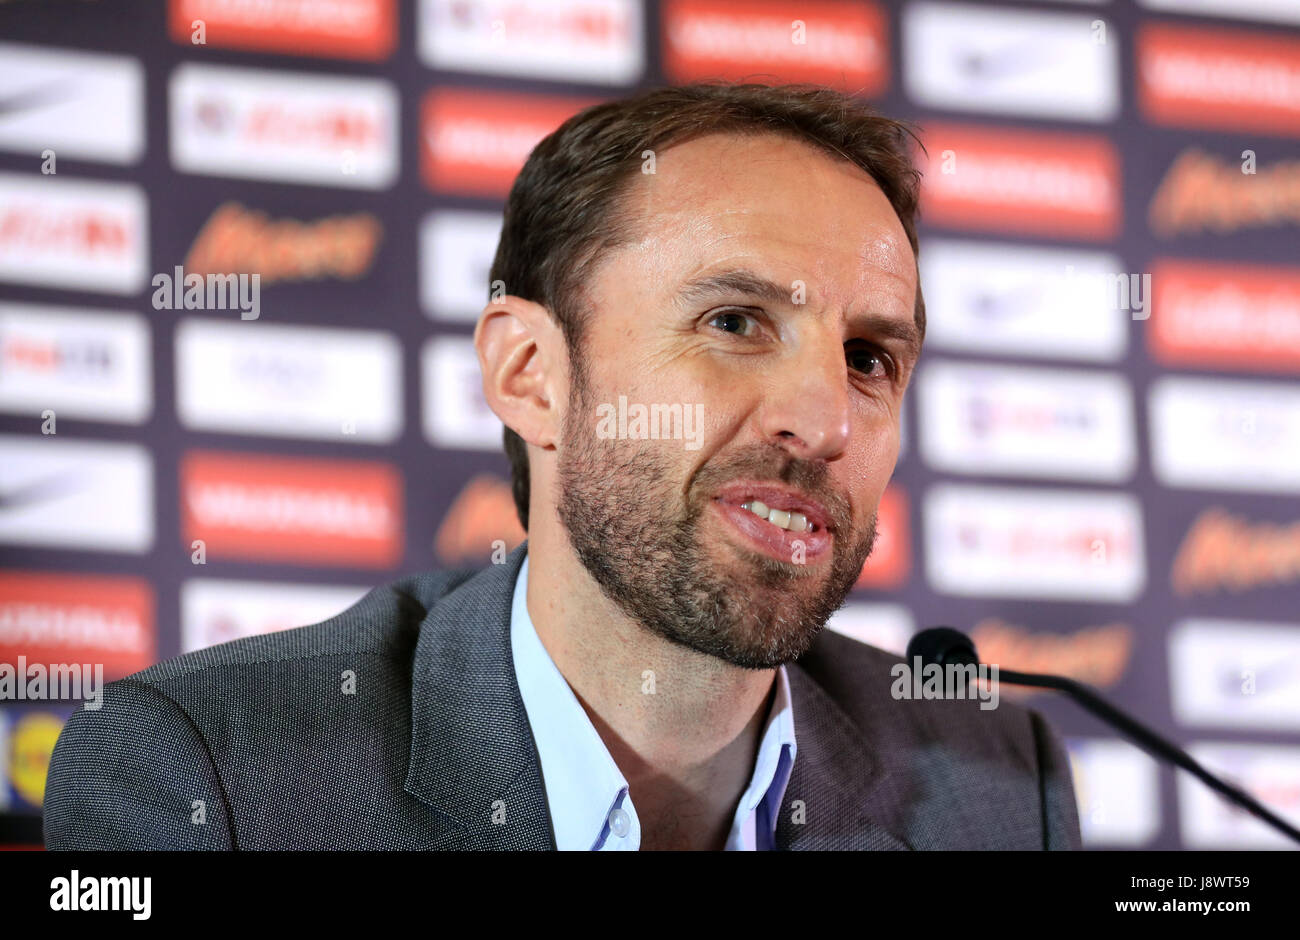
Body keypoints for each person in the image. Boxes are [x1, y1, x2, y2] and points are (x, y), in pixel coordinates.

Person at [44, 82, 1081, 851]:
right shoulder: (213, 774)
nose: (823, 422)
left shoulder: (995, 783)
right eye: (733, 320)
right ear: (532, 374)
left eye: (868, 358)